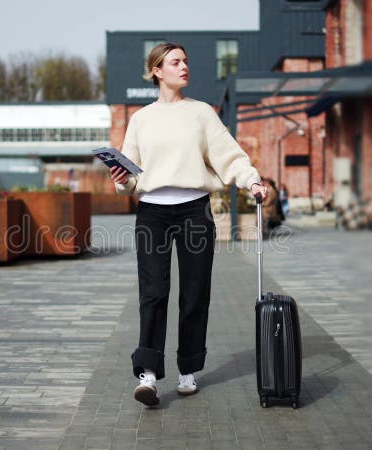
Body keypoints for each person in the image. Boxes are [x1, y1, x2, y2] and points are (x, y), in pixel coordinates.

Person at [108, 42, 268, 407]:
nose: (184, 67)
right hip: (152, 213)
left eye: (186, 61)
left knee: (194, 294)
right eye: (175, 62)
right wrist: (120, 177)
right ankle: (147, 375)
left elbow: (229, 157)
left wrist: (252, 180)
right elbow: (129, 178)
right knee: (153, 293)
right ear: (156, 71)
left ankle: (188, 370)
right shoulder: (141, 119)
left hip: (194, 211)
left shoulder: (202, 114)